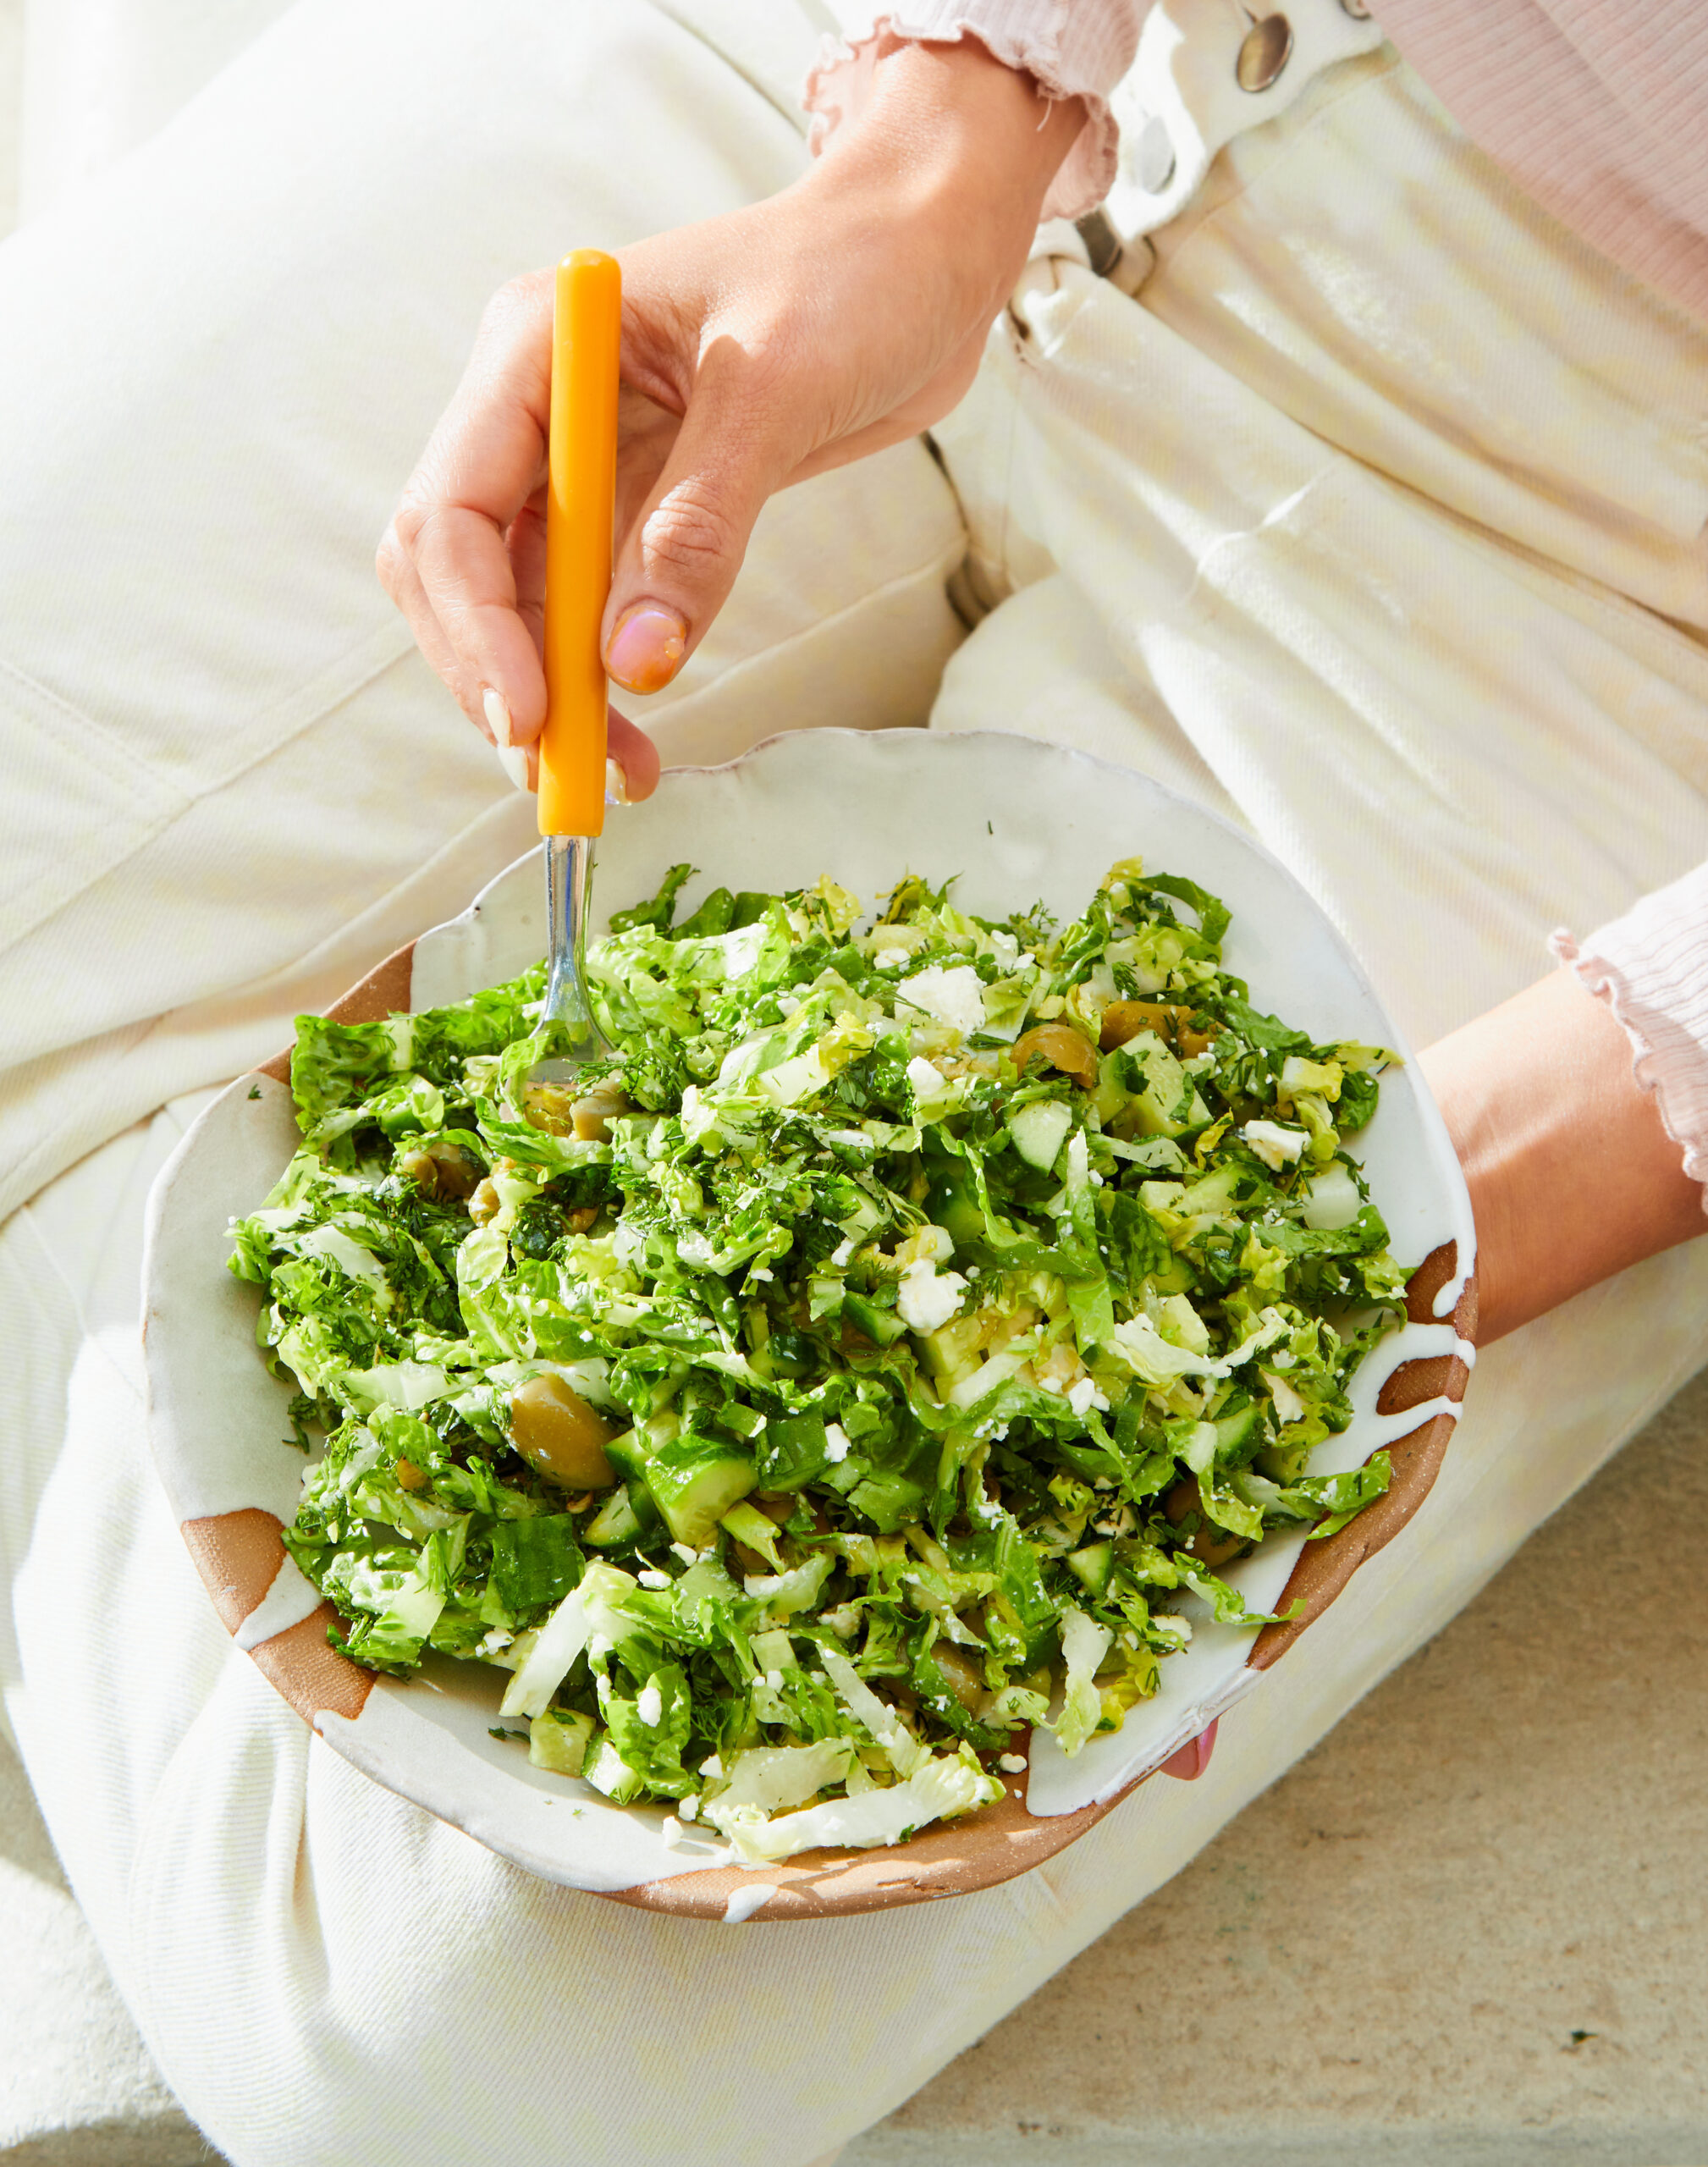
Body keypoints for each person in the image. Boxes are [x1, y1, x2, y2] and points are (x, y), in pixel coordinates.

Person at [3, 4, 1707, 2164]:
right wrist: (949, 109)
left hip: (1611, 568)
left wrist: (1413, 1208)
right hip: (928, 114)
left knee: (418, 2059)